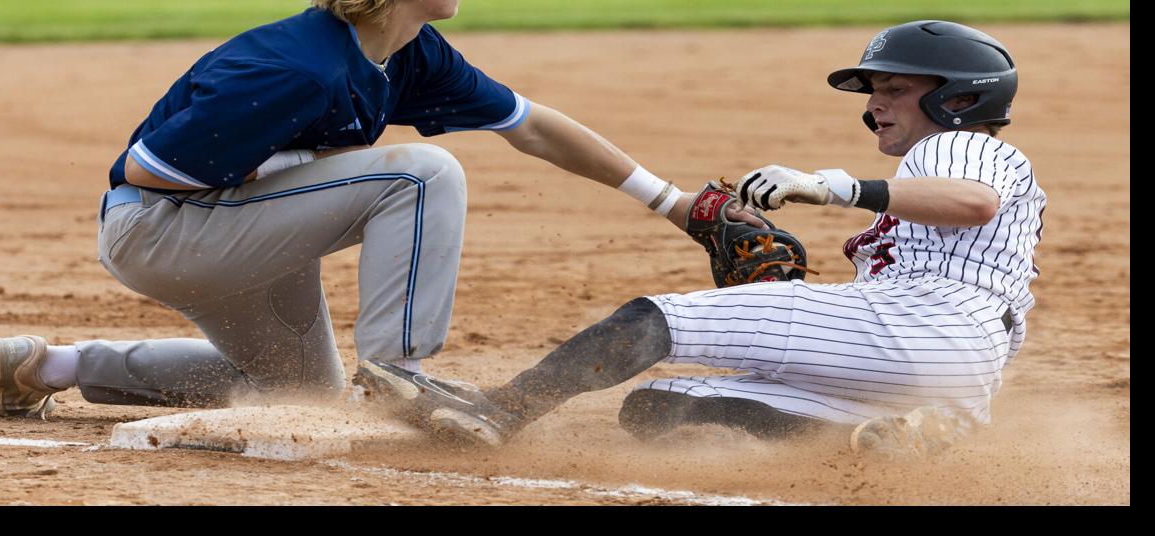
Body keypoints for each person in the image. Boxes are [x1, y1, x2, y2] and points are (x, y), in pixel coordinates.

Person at [0, 0, 751, 422]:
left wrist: (673, 203)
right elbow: (147, 169)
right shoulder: (296, 69)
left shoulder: (407, 52)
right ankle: (398, 375)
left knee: (299, 395)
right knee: (419, 175)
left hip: (237, 238)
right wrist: (299, 166)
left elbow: (531, 126)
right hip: (163, 230)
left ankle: (48, 366)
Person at [358, 20, 1047, 457]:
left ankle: (497, 413)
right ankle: (891, 438)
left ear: (960, 99)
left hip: (924, 325)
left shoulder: (959, 146)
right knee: (661, 409)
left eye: (893, 89)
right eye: (873, 91)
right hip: (952, 366)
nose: (874, 104)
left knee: (652, 320)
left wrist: (830, 186)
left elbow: (973, 202)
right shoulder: (947, 162)